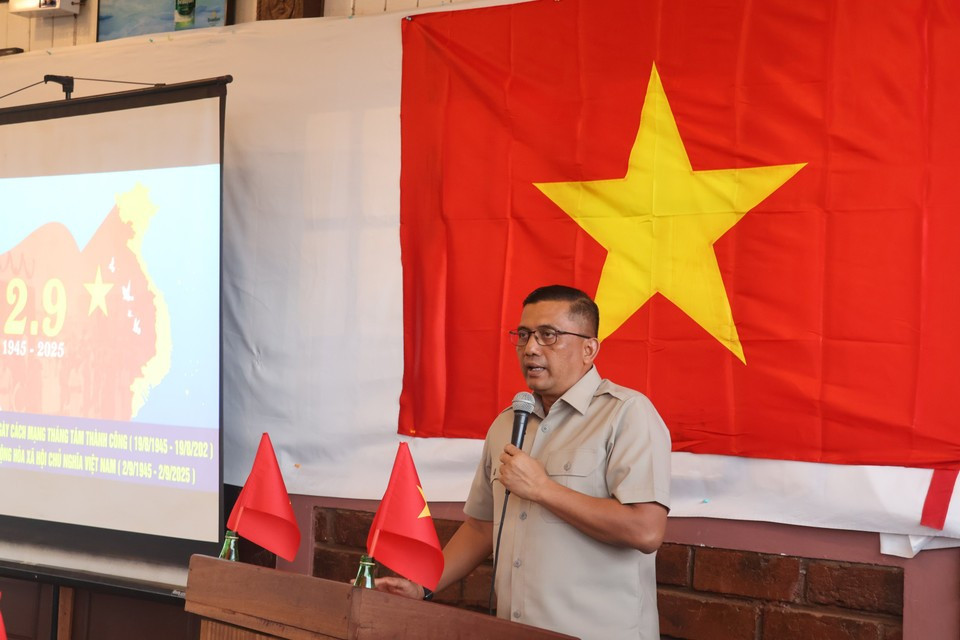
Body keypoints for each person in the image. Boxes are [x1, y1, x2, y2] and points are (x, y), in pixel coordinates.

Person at [377, 285, 671, 640]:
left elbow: (646, 530)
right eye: (524, 335)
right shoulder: (508, 423)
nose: (531, 348)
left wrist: (544, 489)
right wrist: (422, 585)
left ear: (589, 349)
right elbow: (482, 527)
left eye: (549, 335)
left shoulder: (626, 413)